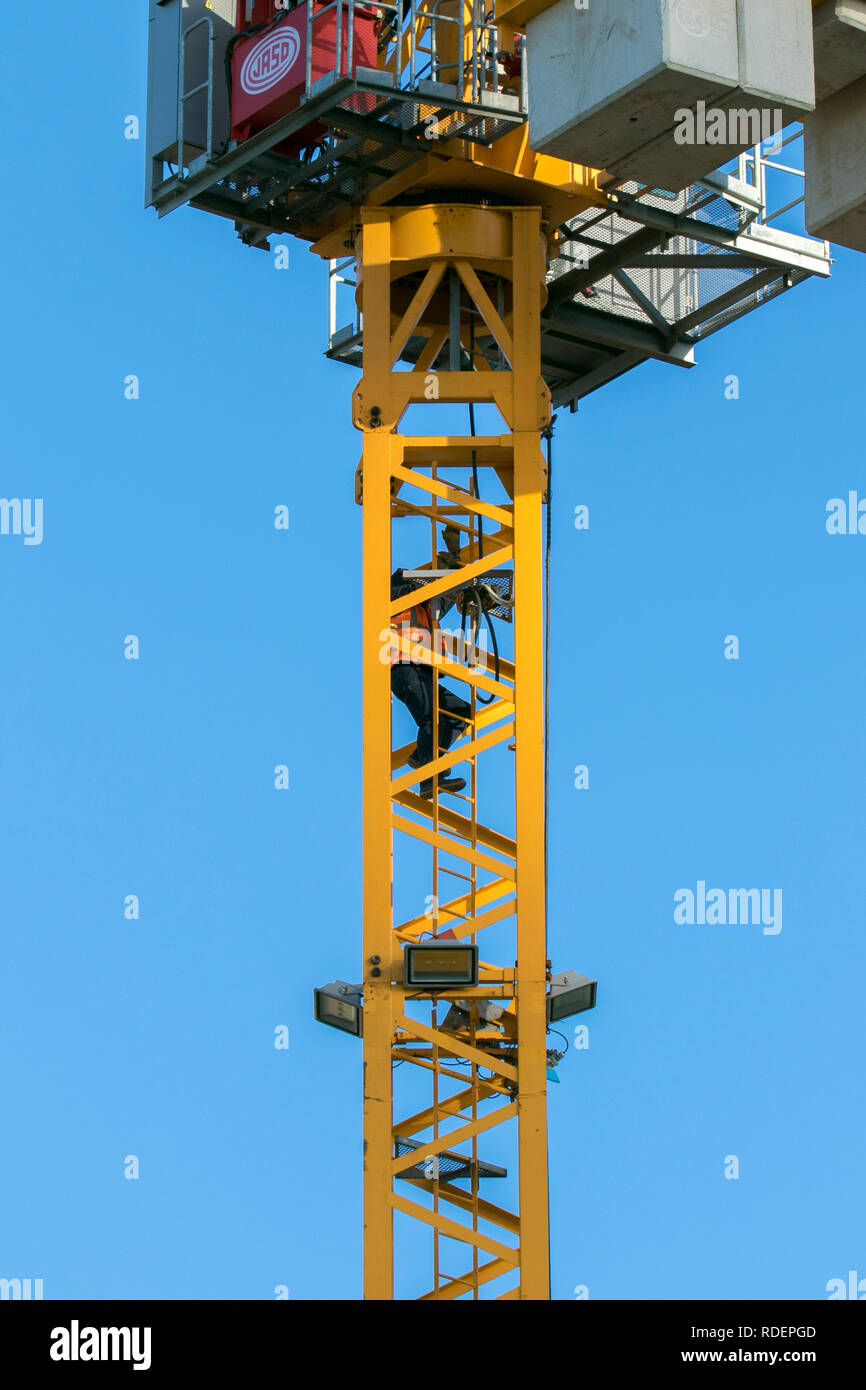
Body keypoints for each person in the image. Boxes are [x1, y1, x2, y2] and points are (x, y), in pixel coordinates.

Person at [390, 565, 472, 798]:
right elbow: (418, 588)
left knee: (460, 711)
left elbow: (443, 596)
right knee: (432, 718)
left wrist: (459, 573)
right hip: (403, 668)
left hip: (421, 670)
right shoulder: (395, 597)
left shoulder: (426, 609)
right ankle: (429, 777)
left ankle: (424, 757)